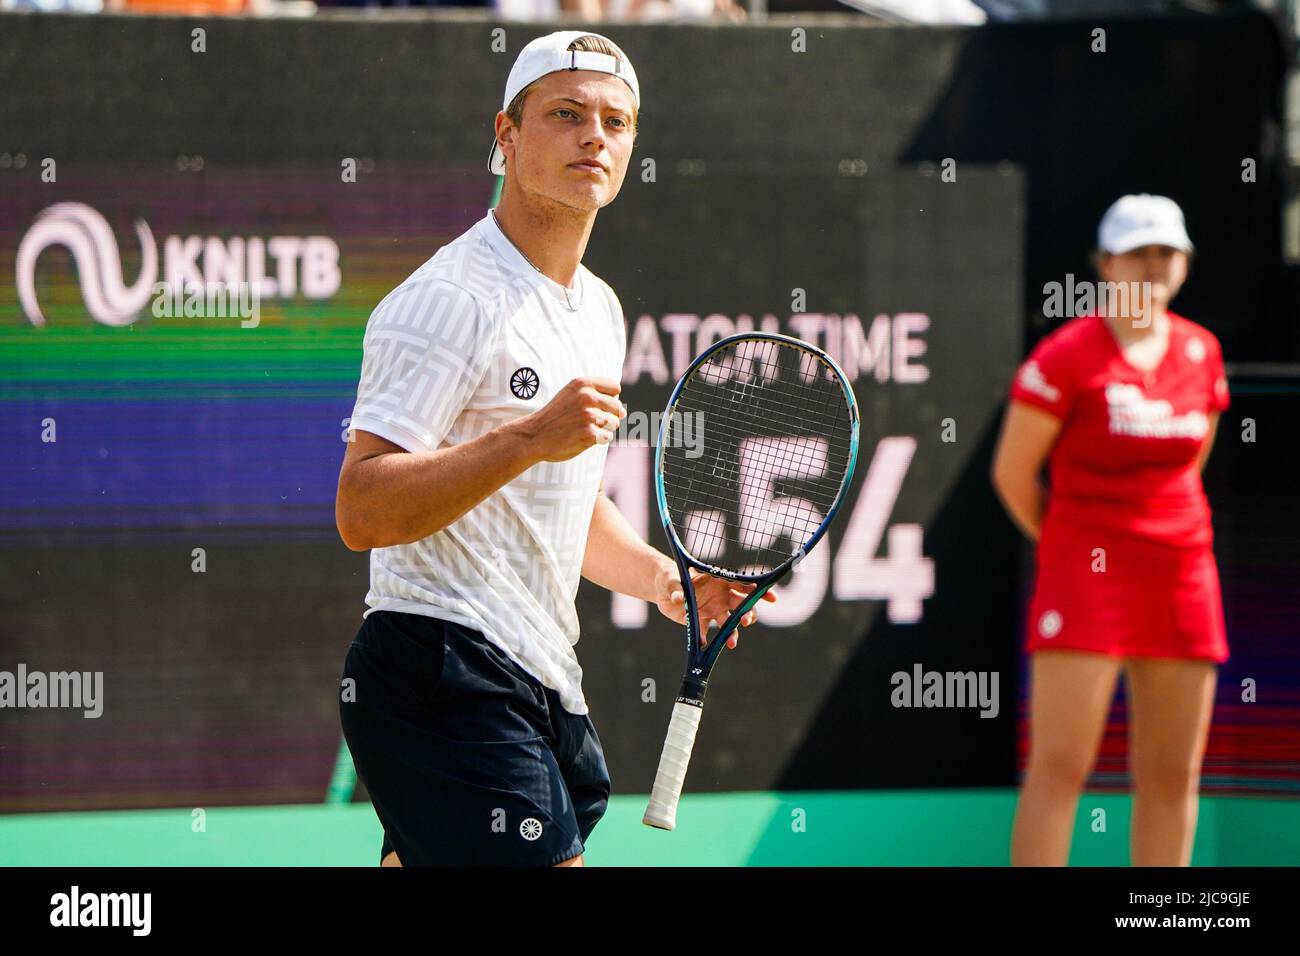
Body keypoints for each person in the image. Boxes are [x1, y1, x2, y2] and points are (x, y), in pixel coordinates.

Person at [335, 30, 775, 867]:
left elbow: (564, 507)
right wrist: (529, 436)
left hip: (538, 671)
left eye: (615, 121)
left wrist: (665, 582)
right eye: (565, 114)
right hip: (442, 661)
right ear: (505, 136)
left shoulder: (597, 309)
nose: (593, 137)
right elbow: (363, 509)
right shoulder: (443, 299)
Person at [992, 193, 1232, 866]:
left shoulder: (1202, 351)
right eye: (1138, 252)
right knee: (1061, 767)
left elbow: (1191, 463)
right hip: (1084, 575)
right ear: (1104, 264)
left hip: (1183, 573)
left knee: (1171, 774)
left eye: (1167, 252)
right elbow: (1014, 476)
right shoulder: (1066, 355)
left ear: (1184, 262)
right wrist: (1077, 551)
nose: (1154, 266)